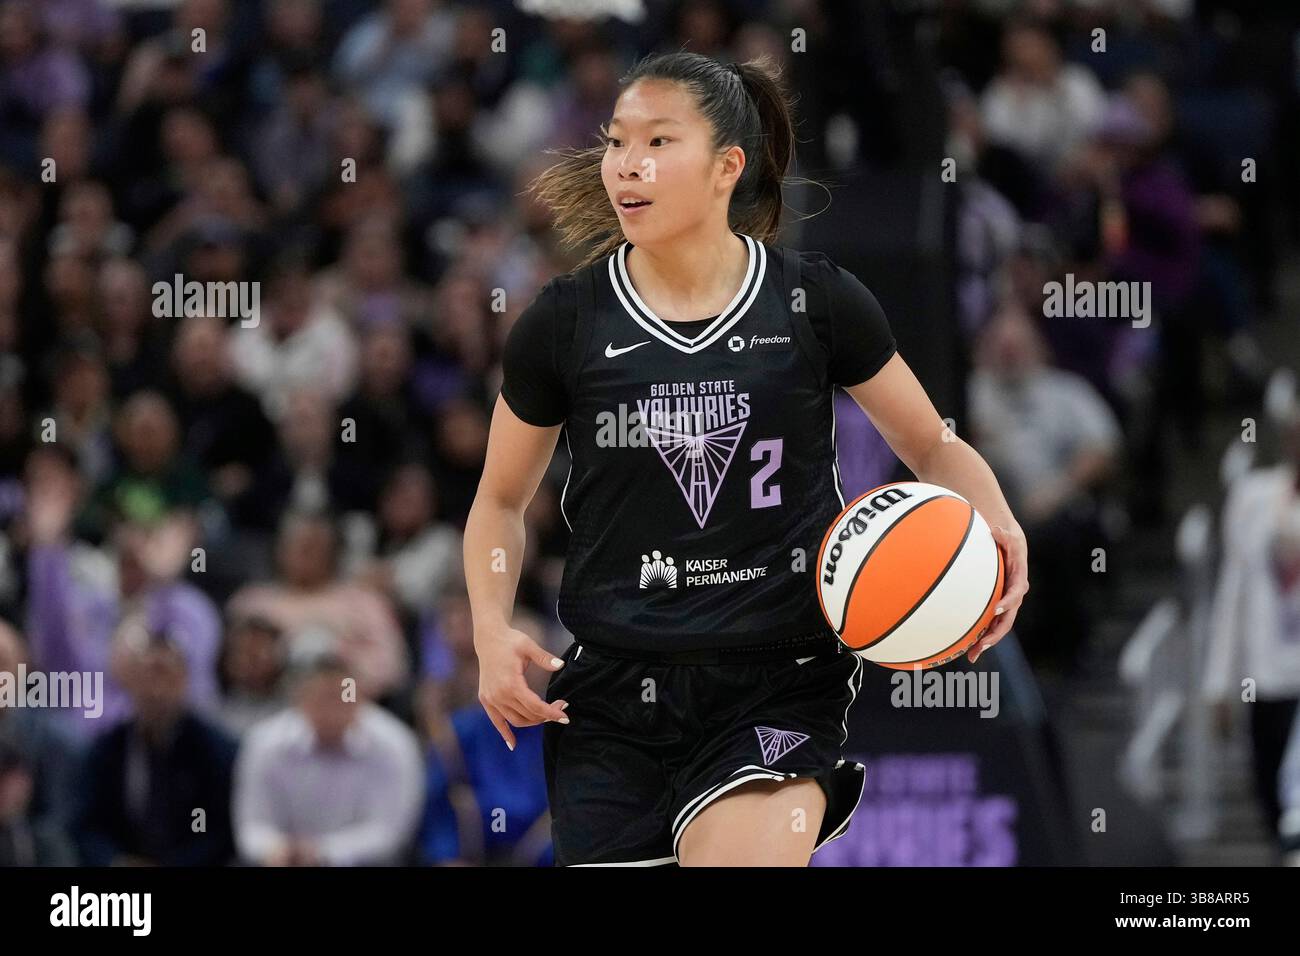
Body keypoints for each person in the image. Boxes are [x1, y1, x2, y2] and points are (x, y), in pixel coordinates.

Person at [464, 52, 1029, 867]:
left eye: (659, 141)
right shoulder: (564, 322)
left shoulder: (816, 300)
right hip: (615, 695)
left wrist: (997, 518)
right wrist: (489, 627)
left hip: (777, 678)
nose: (628, 163)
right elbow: (499, 503)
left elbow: (931, 444)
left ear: (728, 165)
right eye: (618, 142)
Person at [231, 653, 425, 866]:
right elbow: (252, 824)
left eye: (343, 696)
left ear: (362, 697)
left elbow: (389, 831)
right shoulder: (265, 742)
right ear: (300, 698)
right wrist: (276, 849)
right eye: (324, 697)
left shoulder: (394, 744)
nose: (334, 708)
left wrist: (323, 852)